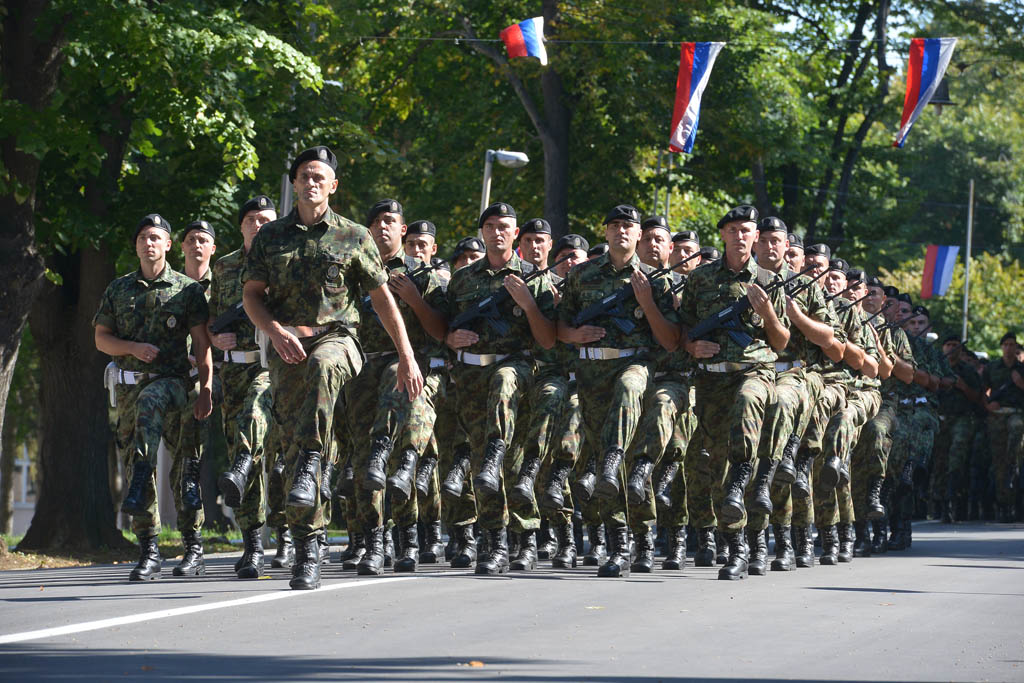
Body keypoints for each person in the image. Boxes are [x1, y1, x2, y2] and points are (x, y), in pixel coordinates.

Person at [241, 146, 423, 590]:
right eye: (304, 175)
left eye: (320, 176)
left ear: (333, 185)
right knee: (290, 450)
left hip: (339, 341)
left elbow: (382, 301)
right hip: (287, 348)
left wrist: (406, 355)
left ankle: (314, 458)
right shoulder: (271, 237)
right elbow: (251, 296)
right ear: (294, 183)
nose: (312, 182)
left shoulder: (354, 236)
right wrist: (274, 332)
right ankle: (308, 552)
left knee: (322, 379)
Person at [558, 204, 679, 578]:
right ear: (606, 232)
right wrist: (573, 335)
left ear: (639, 234)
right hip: (592, 370)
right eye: (615, 226)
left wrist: (646, 303)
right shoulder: (582, 275)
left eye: (628, 226)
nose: (622, 232)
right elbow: (560, 324)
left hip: (635, 366)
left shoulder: (655, 281)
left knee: (621, 439)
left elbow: (671, 341)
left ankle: (642, 540)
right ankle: (619, 544)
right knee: (610, 470)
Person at [94, 213, 213, 582]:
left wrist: (206, 389)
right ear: (136, 245)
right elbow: (101, 338)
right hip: (130, 389)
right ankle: (149, 550)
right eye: (143, 236)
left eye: (156, 237)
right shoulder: (119, 289)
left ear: (167, 245)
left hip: (175, 385)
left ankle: (193, 547)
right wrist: (132, 347)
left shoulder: (186, 289)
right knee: (137, 469)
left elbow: (203, 345)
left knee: (185, 470)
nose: (149, 243)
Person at [441, 201, 556, 574]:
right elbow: (445, 326)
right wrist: (451, 337)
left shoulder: (532, 278)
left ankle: (525, 539)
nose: (497, 232)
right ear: (482, 232)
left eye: (504, 226)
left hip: (517, 371)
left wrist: (528, 304)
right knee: (483, 465)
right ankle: (493, 544)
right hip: (472, 375)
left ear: (515, 233)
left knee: (509, 454)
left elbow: (548, 339)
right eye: (490, 226)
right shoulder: (463, 279)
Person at [678, 205, 788, 580]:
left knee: (746, 439)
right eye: (733, 230)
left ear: (755, 236)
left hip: (754, 373)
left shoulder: (770, 280)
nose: (740, 236)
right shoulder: (701, 279)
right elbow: (684, 330)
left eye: (747, 230)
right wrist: (692, 348)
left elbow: (782, 341)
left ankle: (756, 546)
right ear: (722, 234)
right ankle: (738, 547)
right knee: (722, 465)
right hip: (711, 380)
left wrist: (768, 313)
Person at [344, 203, 448, 576]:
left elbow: (441, 332)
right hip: (360, 369)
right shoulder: (352, 274)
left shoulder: (423, 274)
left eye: (390, 222)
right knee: (364, 461)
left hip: (409, 369)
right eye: (375, 222)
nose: (382, 227)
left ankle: (407, 538)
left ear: (402, 230)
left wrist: (414, 301)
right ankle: (373, 541)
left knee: (392, 454)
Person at [748, 218, 844, 575]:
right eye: (768, 240)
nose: (774, 248)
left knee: (787, 467)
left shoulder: (805, 286)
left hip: (795, 376)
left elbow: (830, 342)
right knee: (753, 461)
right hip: (750, 377)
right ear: (757, 243)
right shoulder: (742, 281)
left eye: (781, 242)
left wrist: (796, 316)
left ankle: (792, 542)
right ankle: (754, 542)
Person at [211, 195, 287, 578]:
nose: (258, 225)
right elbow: (208, 321)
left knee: (259, 435)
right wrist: (214, 340)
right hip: (233, 370)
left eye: (266, 220)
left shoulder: (285, 261)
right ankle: (253, 545)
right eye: (252, 219)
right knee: (249, 458)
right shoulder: (222, 268)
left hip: (273, 367)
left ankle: (287, 530)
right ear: (241, 225)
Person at [931, 335, 983, 522]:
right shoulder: (935, 366)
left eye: (955, 345)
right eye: (949, 344)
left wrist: (962, 386)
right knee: (940, 460)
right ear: (943, 348)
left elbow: (978, 397)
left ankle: (952, 499)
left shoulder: (968, 371)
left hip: (962, 418)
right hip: (940, 417)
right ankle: (940, 501)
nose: (952, 348)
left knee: (957, 455)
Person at [982, 332, 1024, 522]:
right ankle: (1004, 505)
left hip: (1017, 414)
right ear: (1001, 347)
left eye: (1012, 344)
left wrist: (1020, 383)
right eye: (1005, 344)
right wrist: (988, 405)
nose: (1009, 347)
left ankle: (1016, 504)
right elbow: (981, 392)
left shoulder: (1021, 369)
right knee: (1000, 463)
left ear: (1017, 348)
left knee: (1014, 461)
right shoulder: (992, 368)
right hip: (997, 417)